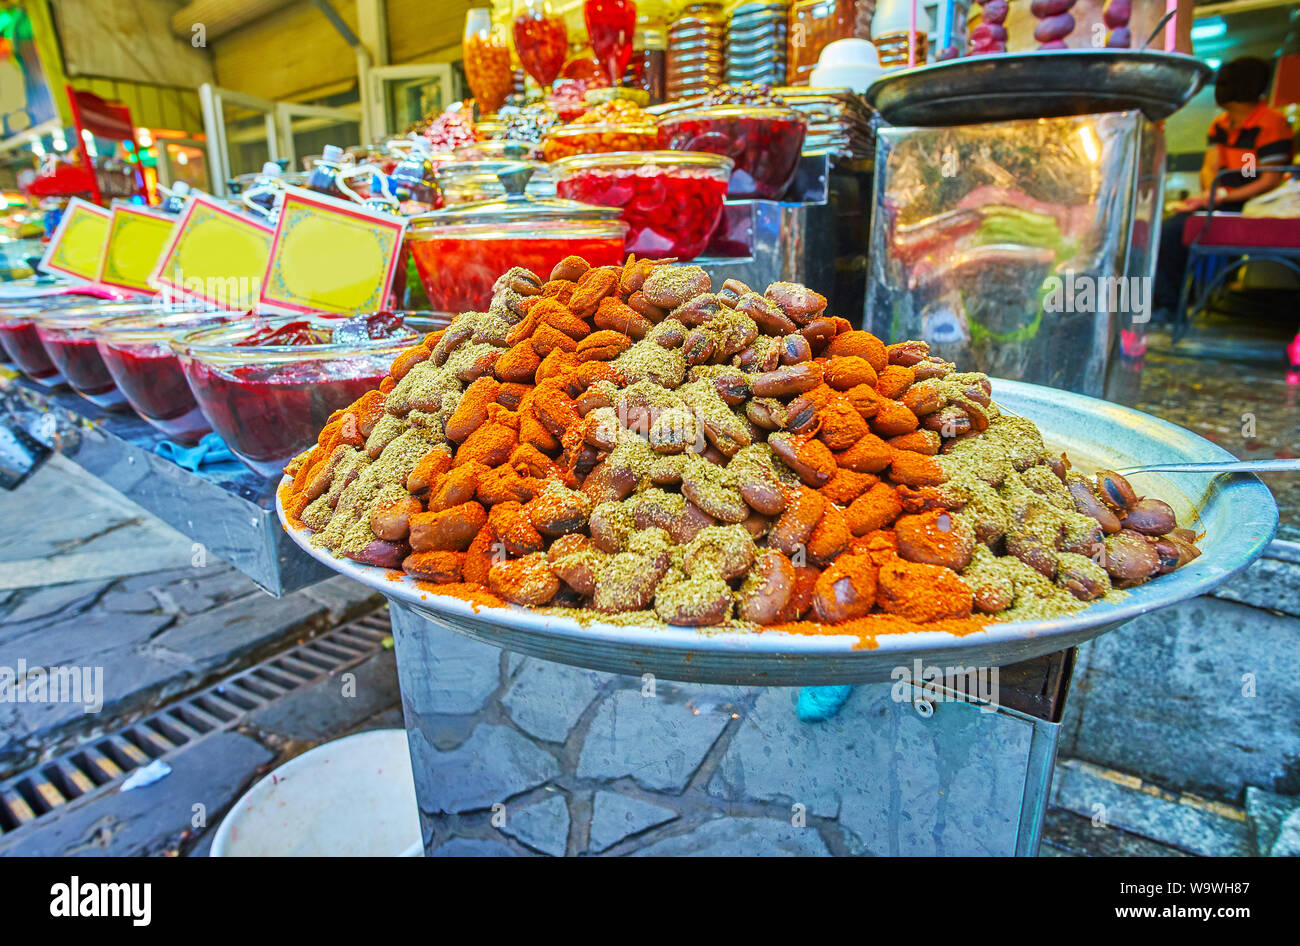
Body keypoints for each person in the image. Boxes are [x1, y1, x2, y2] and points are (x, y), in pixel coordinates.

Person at [1153, 57, 1294, 319]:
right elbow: (1210, 166)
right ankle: (1172, 303)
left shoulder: (1272, 122)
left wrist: (1221, 197)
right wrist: (1210, 195)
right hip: (1223, 199)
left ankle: (1172, 304)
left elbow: (1269, 180)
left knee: (1174, 232)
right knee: (1168, 231)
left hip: (1258, 202)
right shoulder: (1219, 124)